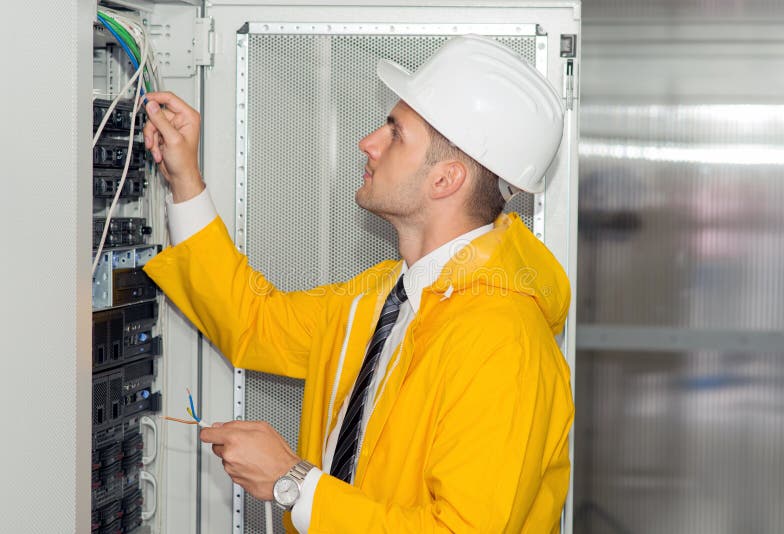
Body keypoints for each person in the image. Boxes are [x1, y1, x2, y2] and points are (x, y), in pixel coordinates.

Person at [141, 34, 573, 533]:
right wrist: (185, 180)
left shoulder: (505, 342)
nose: (368, 142)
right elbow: (254, 322)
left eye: (396, 133)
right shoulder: (383, 297)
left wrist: (293, 482)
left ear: (445, 180)